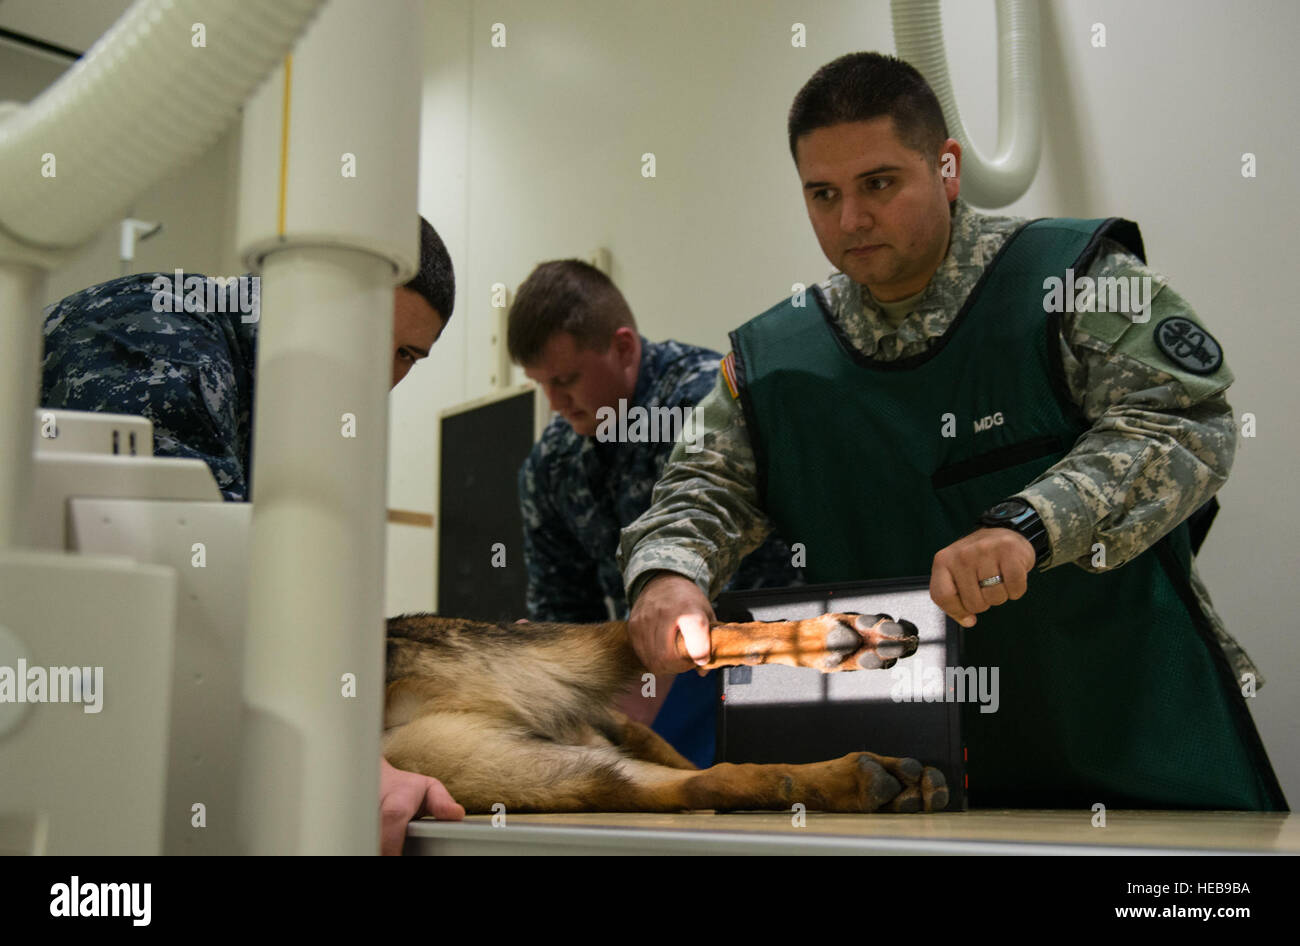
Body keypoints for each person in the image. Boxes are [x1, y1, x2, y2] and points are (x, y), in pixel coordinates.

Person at [619, 52, 1287, 810]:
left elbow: (1185, 420)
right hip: (917, 781)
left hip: (1141, 744)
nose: (850, 220)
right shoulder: (774, 365)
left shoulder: (1070, 280)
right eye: (822, 194)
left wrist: (1029, 526)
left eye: (879, 184)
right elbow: (699, 490)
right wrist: (668, 573)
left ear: (947, 167)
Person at [40, 216, 469, 852]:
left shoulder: (276, 398)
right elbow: (189, 584)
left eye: (406, 355)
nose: (381, 374)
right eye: (369, 334)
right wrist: (344, 765)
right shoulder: (153, 334)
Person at [510, 259, 799, 767]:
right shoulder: (551, 465)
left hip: (766, 653)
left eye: (568, 379)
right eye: (542, 384)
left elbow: (755, 561)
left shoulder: (707, 401)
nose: (556, 402)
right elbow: (562, 611)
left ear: (623, 347)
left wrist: (652, 665)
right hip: (650, 664)